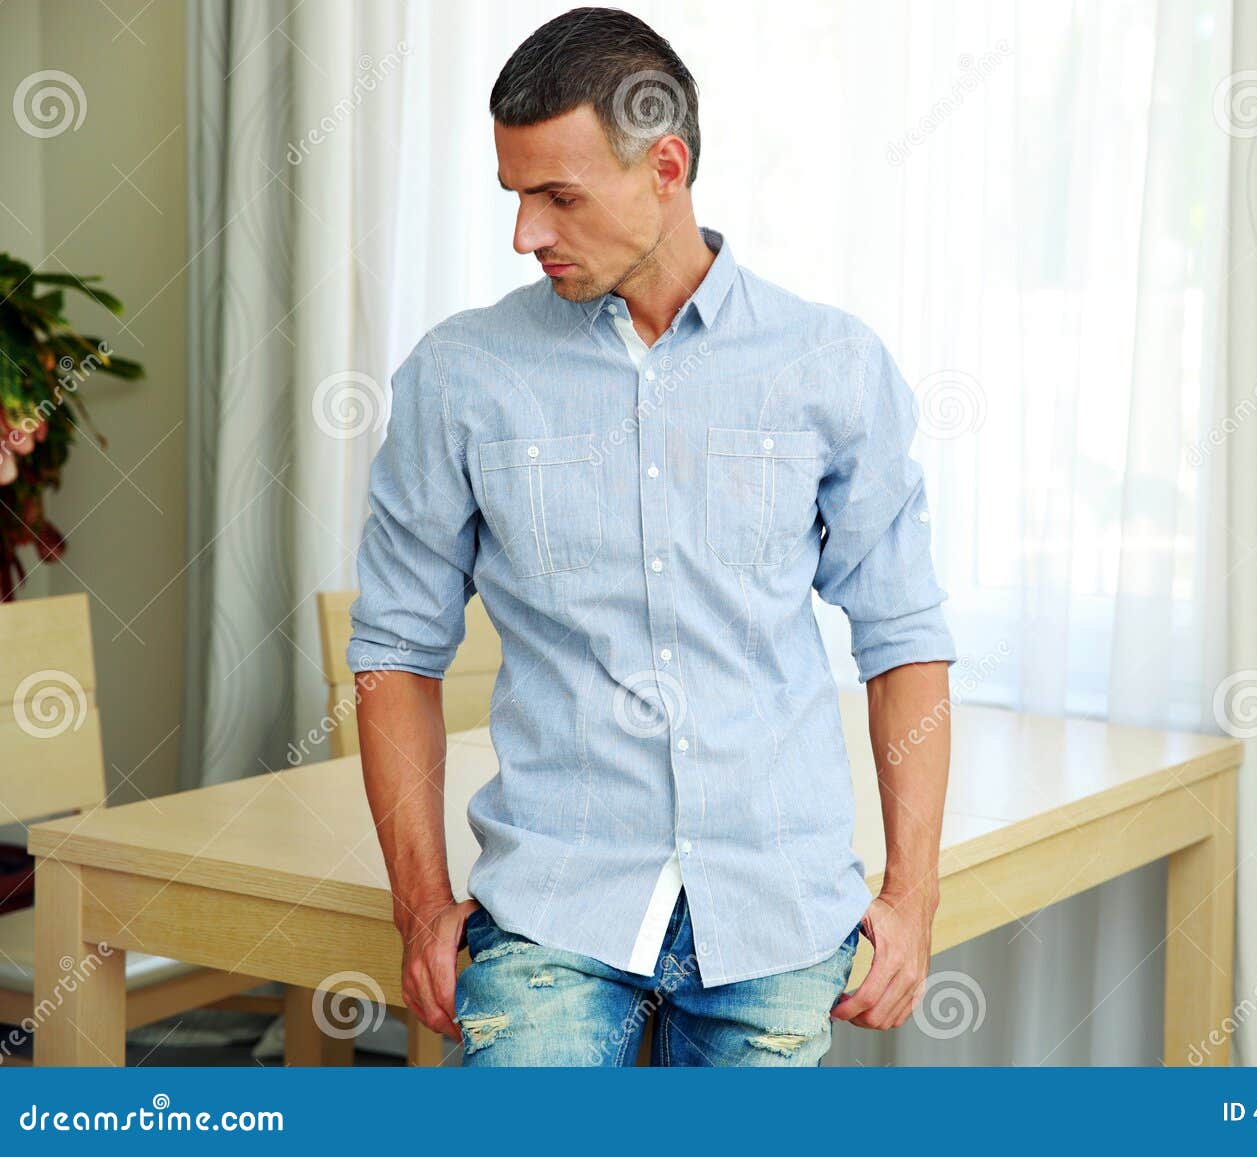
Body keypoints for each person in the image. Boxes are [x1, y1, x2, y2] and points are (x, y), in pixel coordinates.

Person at [348, 6, 956, 1067]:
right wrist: (420, 902)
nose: (525, 233)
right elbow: (396, 650)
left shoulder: (830, 365)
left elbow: (902, 635)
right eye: (514, 194)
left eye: (559, 196)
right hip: (550, 911)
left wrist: (913, 891)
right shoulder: (459, 375)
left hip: (775, 910)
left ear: (665, 167)